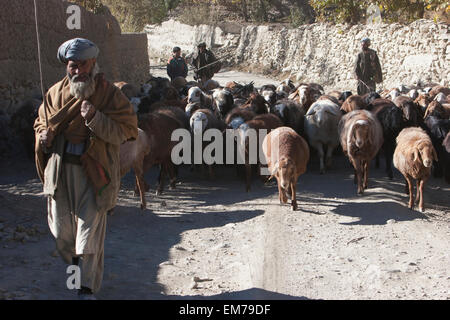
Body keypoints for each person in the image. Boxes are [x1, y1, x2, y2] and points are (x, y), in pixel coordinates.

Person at [34, 38, 138, 299]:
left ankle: (86, 288)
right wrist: (43, 137)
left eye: (83, 65)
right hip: (59, 173)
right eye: (72, 66)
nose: (78, 71)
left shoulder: (110, 95)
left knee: (88, 237)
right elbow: (40, 123)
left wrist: (95, 118)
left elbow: (126, 132)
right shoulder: (54, 93)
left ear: (93, 64)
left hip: (95, 173)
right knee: (62, 234)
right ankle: (76, 275)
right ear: (66, 67)